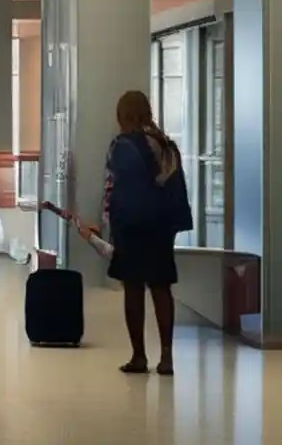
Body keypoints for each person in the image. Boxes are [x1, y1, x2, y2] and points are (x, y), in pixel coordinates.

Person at [103, 90, 193, 377]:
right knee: (161, 288)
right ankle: (167, 357)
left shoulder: (122, 145)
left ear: (123, 115)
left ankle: (139, 355)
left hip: (132, 227)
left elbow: (116, 188)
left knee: (133, 289)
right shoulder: (166, 145)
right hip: (161, 227)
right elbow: (176, 189)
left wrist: (110, 225)